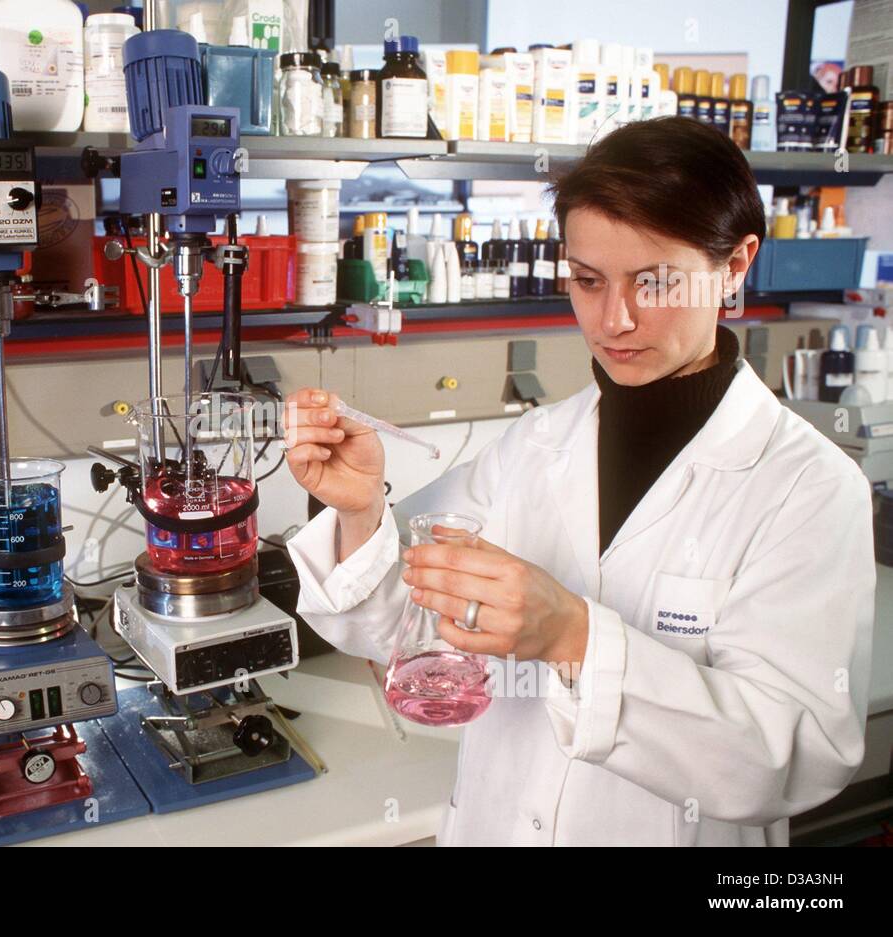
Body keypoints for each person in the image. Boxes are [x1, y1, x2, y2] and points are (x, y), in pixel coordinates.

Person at [282, 116, 874, 846]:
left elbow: (790, 758)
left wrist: (573, 636)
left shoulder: (808, 488)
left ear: (735, 265)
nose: (614, 319)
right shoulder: (534, 445)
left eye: (653, 281)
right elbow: (397, 629)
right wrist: (361, 509)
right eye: (588, 281)